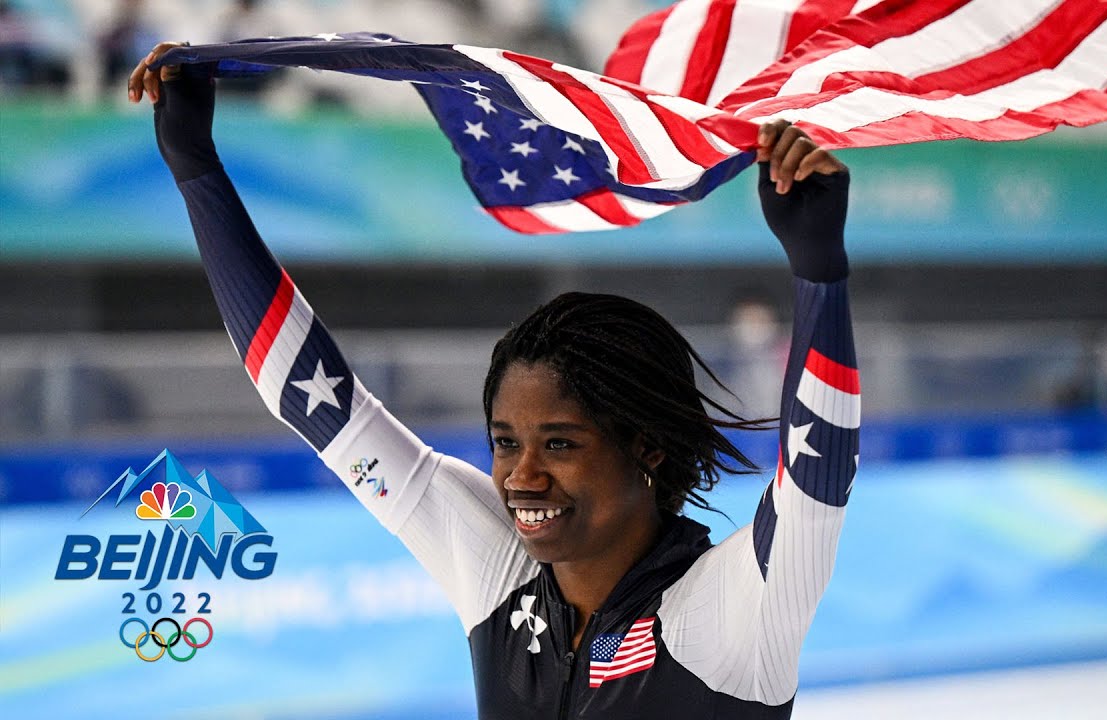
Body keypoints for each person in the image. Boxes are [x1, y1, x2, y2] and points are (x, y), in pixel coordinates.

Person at [130, 41, 860, 719]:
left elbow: (814, 484)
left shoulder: (726, 615)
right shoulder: (499, 571)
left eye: (561, 444)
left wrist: (818, 273)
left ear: (648, 448)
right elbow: (319, 403)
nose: (521, 477)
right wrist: (196, 167)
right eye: (505, 442)